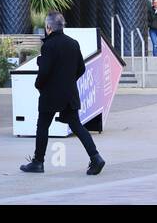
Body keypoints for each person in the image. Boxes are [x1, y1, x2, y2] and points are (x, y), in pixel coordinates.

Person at [20, 11, 105, 176]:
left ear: (49, 27)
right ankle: (96, 157)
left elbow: (44, 72)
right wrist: (68, 80)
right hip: (69, 93)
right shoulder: (73, 43)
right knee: (76, 125)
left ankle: (38, 162)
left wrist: (39, 85)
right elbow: (81, 68)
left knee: (43, 126)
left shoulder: (48, 45)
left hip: (51, 94)